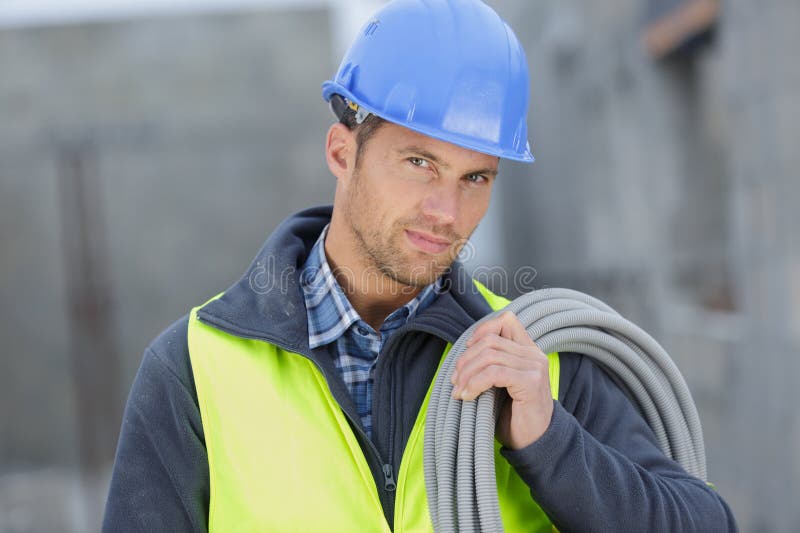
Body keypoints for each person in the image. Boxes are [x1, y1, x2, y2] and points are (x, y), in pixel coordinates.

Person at [103, 0, 737, 531]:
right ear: (342, 151)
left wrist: (549, 442)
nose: (445, 211)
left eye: (476, 177)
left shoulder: (536, 359)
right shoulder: (195, 369)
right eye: (419, 163)